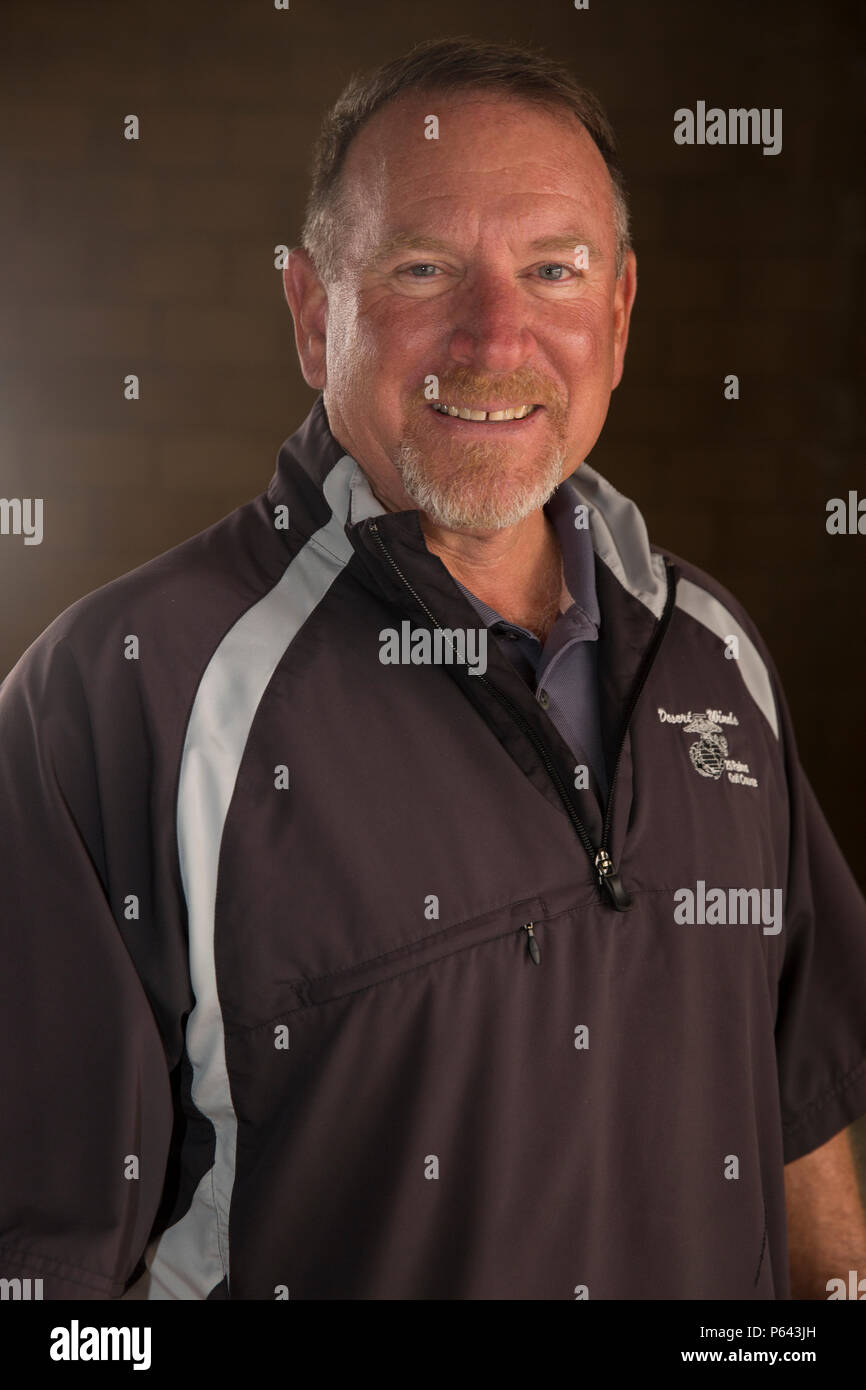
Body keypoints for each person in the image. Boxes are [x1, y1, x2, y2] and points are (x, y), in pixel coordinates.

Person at [1, 36, 865, 1302]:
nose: (496, 335)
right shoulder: (119, 697)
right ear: (312, 312)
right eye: (423, 269)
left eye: (552, 271)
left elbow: (798, 1111)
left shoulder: (712, 653)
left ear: (617, 315)